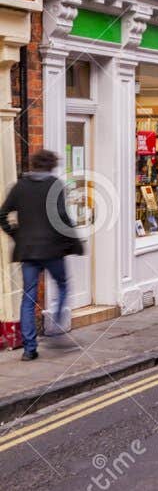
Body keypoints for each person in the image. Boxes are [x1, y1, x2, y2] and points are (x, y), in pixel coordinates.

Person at [0, 149, 83, 362]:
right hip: (52, 250)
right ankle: (56, 331)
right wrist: (74, 243)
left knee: (28, 297)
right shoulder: (54, 185)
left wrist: (16, 235)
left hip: (28, 251)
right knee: (63, 285)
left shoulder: (20, 186)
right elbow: (63, 217)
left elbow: (2, 214)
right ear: (50, 165)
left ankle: (29, 349)